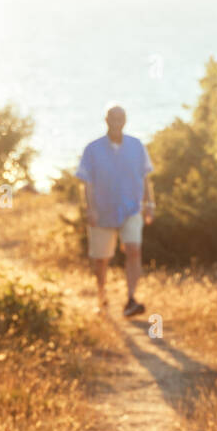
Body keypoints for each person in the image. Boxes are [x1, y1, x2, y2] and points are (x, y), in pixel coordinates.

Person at [75, 105, 155, 317]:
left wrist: (150, 204)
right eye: (113, 117)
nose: (116, 121)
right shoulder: (92, 149)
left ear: (125, 120)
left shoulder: (137, 146)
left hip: (131, 209)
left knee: (133, 250)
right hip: (102, 211)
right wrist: (90, 209)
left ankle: (130, 299)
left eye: (120, 117)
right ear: (106, 119)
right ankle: (102, 298)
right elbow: (87, 182)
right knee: (101, 259)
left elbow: (146, 177)